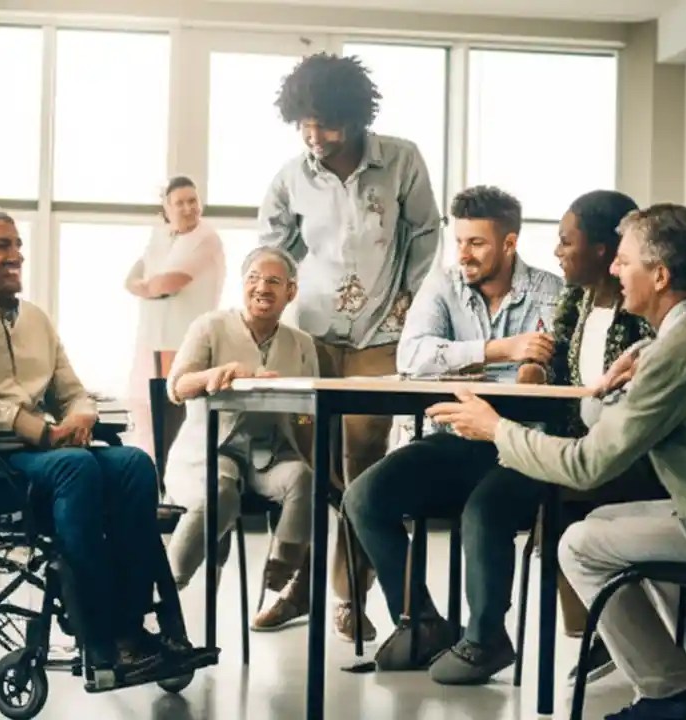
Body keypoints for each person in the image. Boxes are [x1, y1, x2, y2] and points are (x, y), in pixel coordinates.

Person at [427, 204, 686, 720]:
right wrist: (627, 370)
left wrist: (495, 428)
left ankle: (670, 696)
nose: (613, 269)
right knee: (611, 522)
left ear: (661, 275)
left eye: (624, 261)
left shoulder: (676, 352)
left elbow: (587, 466)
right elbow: (627, 409)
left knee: (580, 545)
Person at [0, 207, 216, 682]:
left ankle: (133, 631)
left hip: (43, 456)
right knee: (76, 468)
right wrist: (26, 424)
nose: (17, 255)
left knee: (133, 464)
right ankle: (100, 638)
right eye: (1, 246)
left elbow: (70, 391)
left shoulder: (35, 319)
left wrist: (81, 415)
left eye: (17, 244)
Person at [343, 186, 562, 685]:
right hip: (455, 438)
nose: (463, 253)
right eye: (459, 240)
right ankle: (420, 622)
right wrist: (500, 349)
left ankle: (486, 639)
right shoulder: (443, 284)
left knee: (483, 511)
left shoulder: (552, 292)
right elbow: (412, 356)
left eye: (477, 243)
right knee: (364, 497)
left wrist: (531, 371)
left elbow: (558, 370)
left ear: (509, 243)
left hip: (521, 443)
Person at [260, 51, 443, 641]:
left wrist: (411, 296)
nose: (315, 136)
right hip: (311, 336)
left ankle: (345, 595)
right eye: (305, 125)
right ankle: (305, 585)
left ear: (356, 117)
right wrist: (267, 294)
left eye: (327, 125)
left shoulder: (401, 160)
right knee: (316, 469)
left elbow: (426, 231)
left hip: (380, 335)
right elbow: (272, 248)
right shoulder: (290, 177)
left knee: (361, 465)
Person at [544, 190, 666, 684]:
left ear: (602, 250)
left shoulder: (643, 311)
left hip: (635, 453)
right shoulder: (575, 299)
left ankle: (609, 631)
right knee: (548, 493)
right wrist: (534, 365)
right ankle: (600, 630)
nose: (557, 251)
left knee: (564, 498)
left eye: (566, 241)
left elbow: (635, 404)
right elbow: (556, 363)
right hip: (585, 446)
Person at [163, 246, 318, 631]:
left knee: (303, 478)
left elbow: (307, 410)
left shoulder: (301, 344)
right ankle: (163, 588)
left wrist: (306, 434)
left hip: (269, 452)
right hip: (210, 449)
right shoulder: (210, 326)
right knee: (221, 491)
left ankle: (282, 567)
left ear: (291, 292)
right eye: (254, 279)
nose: (262, 287)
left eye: (274, 281)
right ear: (242, 284)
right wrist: (218, 374)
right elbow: (177, 387)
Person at [126, 176, 225, 462]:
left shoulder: (206, 237)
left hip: (183, 339)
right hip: (153, 338)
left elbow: (168, 283)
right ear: (167, 208)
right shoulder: (160, 236)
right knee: (147, 412)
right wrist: (148, 287)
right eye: (180, 203)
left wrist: (148, 287)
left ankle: (172, 479)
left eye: (193, 201)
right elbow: (131, 279)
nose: (188, 208)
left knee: (175, 414)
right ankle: (150, 477)